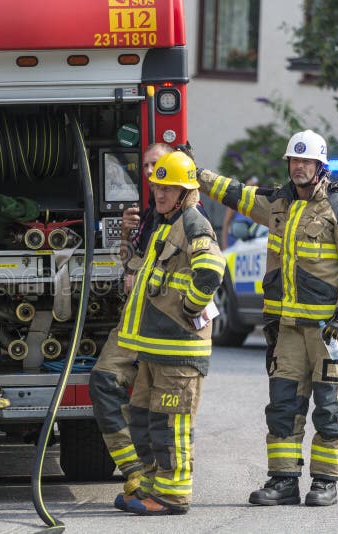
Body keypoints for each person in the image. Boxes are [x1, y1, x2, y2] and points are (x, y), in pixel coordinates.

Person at [195, 130, 338, 506]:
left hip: (331, 331)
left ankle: (325, 483)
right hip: (288, 330)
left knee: (329, 408)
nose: (300, 167)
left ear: (321, 166)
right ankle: (283, 481)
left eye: (307, 161)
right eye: (295, 160)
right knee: (283, 406)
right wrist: (195, 173)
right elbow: (237, 193)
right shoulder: (278, 203)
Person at [117, 150, 225, 515]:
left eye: (169, 189)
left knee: (170, 426)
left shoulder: (193, 223)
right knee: (143, 419)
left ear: (186, 192)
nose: (160, 194)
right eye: (157, 187)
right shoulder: (164, 223)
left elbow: (210, 271)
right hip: (154, 349)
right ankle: (150, 485)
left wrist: (191, 308)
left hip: (179, 351)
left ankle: (172, 496)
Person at [89, 142, 173, 500]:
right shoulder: (148, 214)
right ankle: (135, 471)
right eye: (148, 167)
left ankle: (160, 479)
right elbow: (128, 268)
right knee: (104, 382)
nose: (152, 173)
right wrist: (125, 234)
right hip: (133, 322)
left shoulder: (185, 218)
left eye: (159, 165)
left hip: (164, 326)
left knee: (154, 406)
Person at [220, 175, 259, 249]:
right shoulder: (236, 201)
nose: (253, 188)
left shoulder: (257, 203)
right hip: (235, 245)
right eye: (251, 185)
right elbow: (226, 223)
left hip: (252, 246)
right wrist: (224, 245)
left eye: (255, 185)